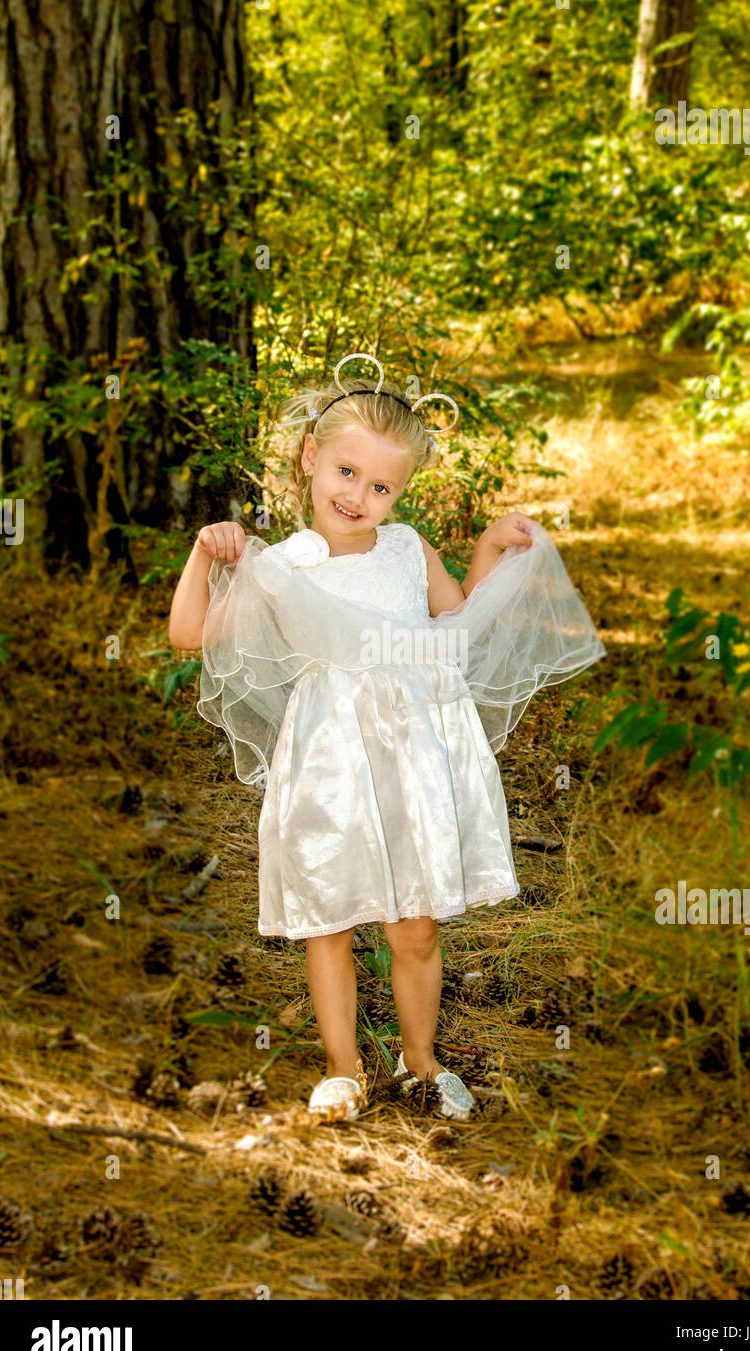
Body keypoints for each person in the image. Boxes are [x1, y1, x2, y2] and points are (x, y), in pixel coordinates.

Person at [168, 353, 605, 1124]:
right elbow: (189, 635)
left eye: (381, 486)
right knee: (330, 916)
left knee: (415, 924)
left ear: (400, 494)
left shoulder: (407, 548)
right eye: (345, 472)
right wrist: (206, 554)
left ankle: (421, 1060)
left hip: (411, 752)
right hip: (332, 757)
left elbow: (452, 624)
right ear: (310, 457)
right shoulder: (288, 565)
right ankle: (342, 1070)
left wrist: (489, 552)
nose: (358, 496)